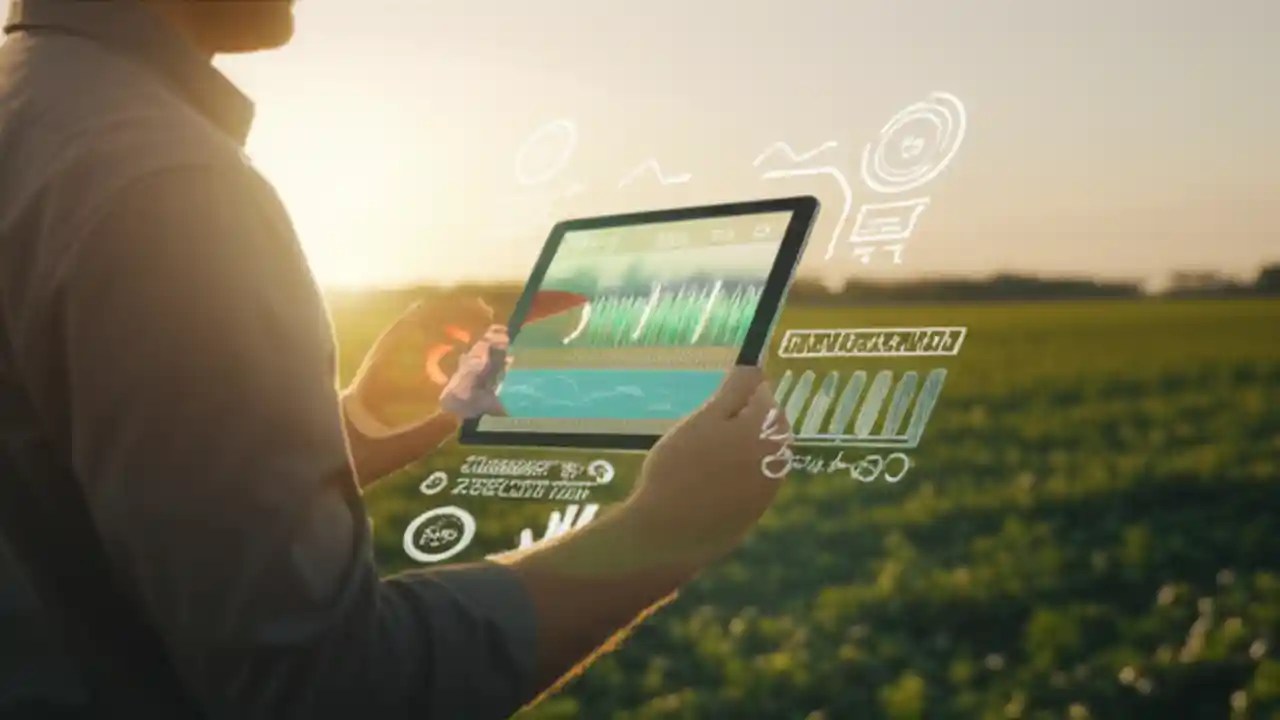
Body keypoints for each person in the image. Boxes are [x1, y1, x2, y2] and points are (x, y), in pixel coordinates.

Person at [0, 1, 793, 717]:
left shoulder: (34, 106)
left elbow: (78, 515)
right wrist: (666, 530)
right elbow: (324, 688)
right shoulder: (166, 181)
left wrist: (361, 423)